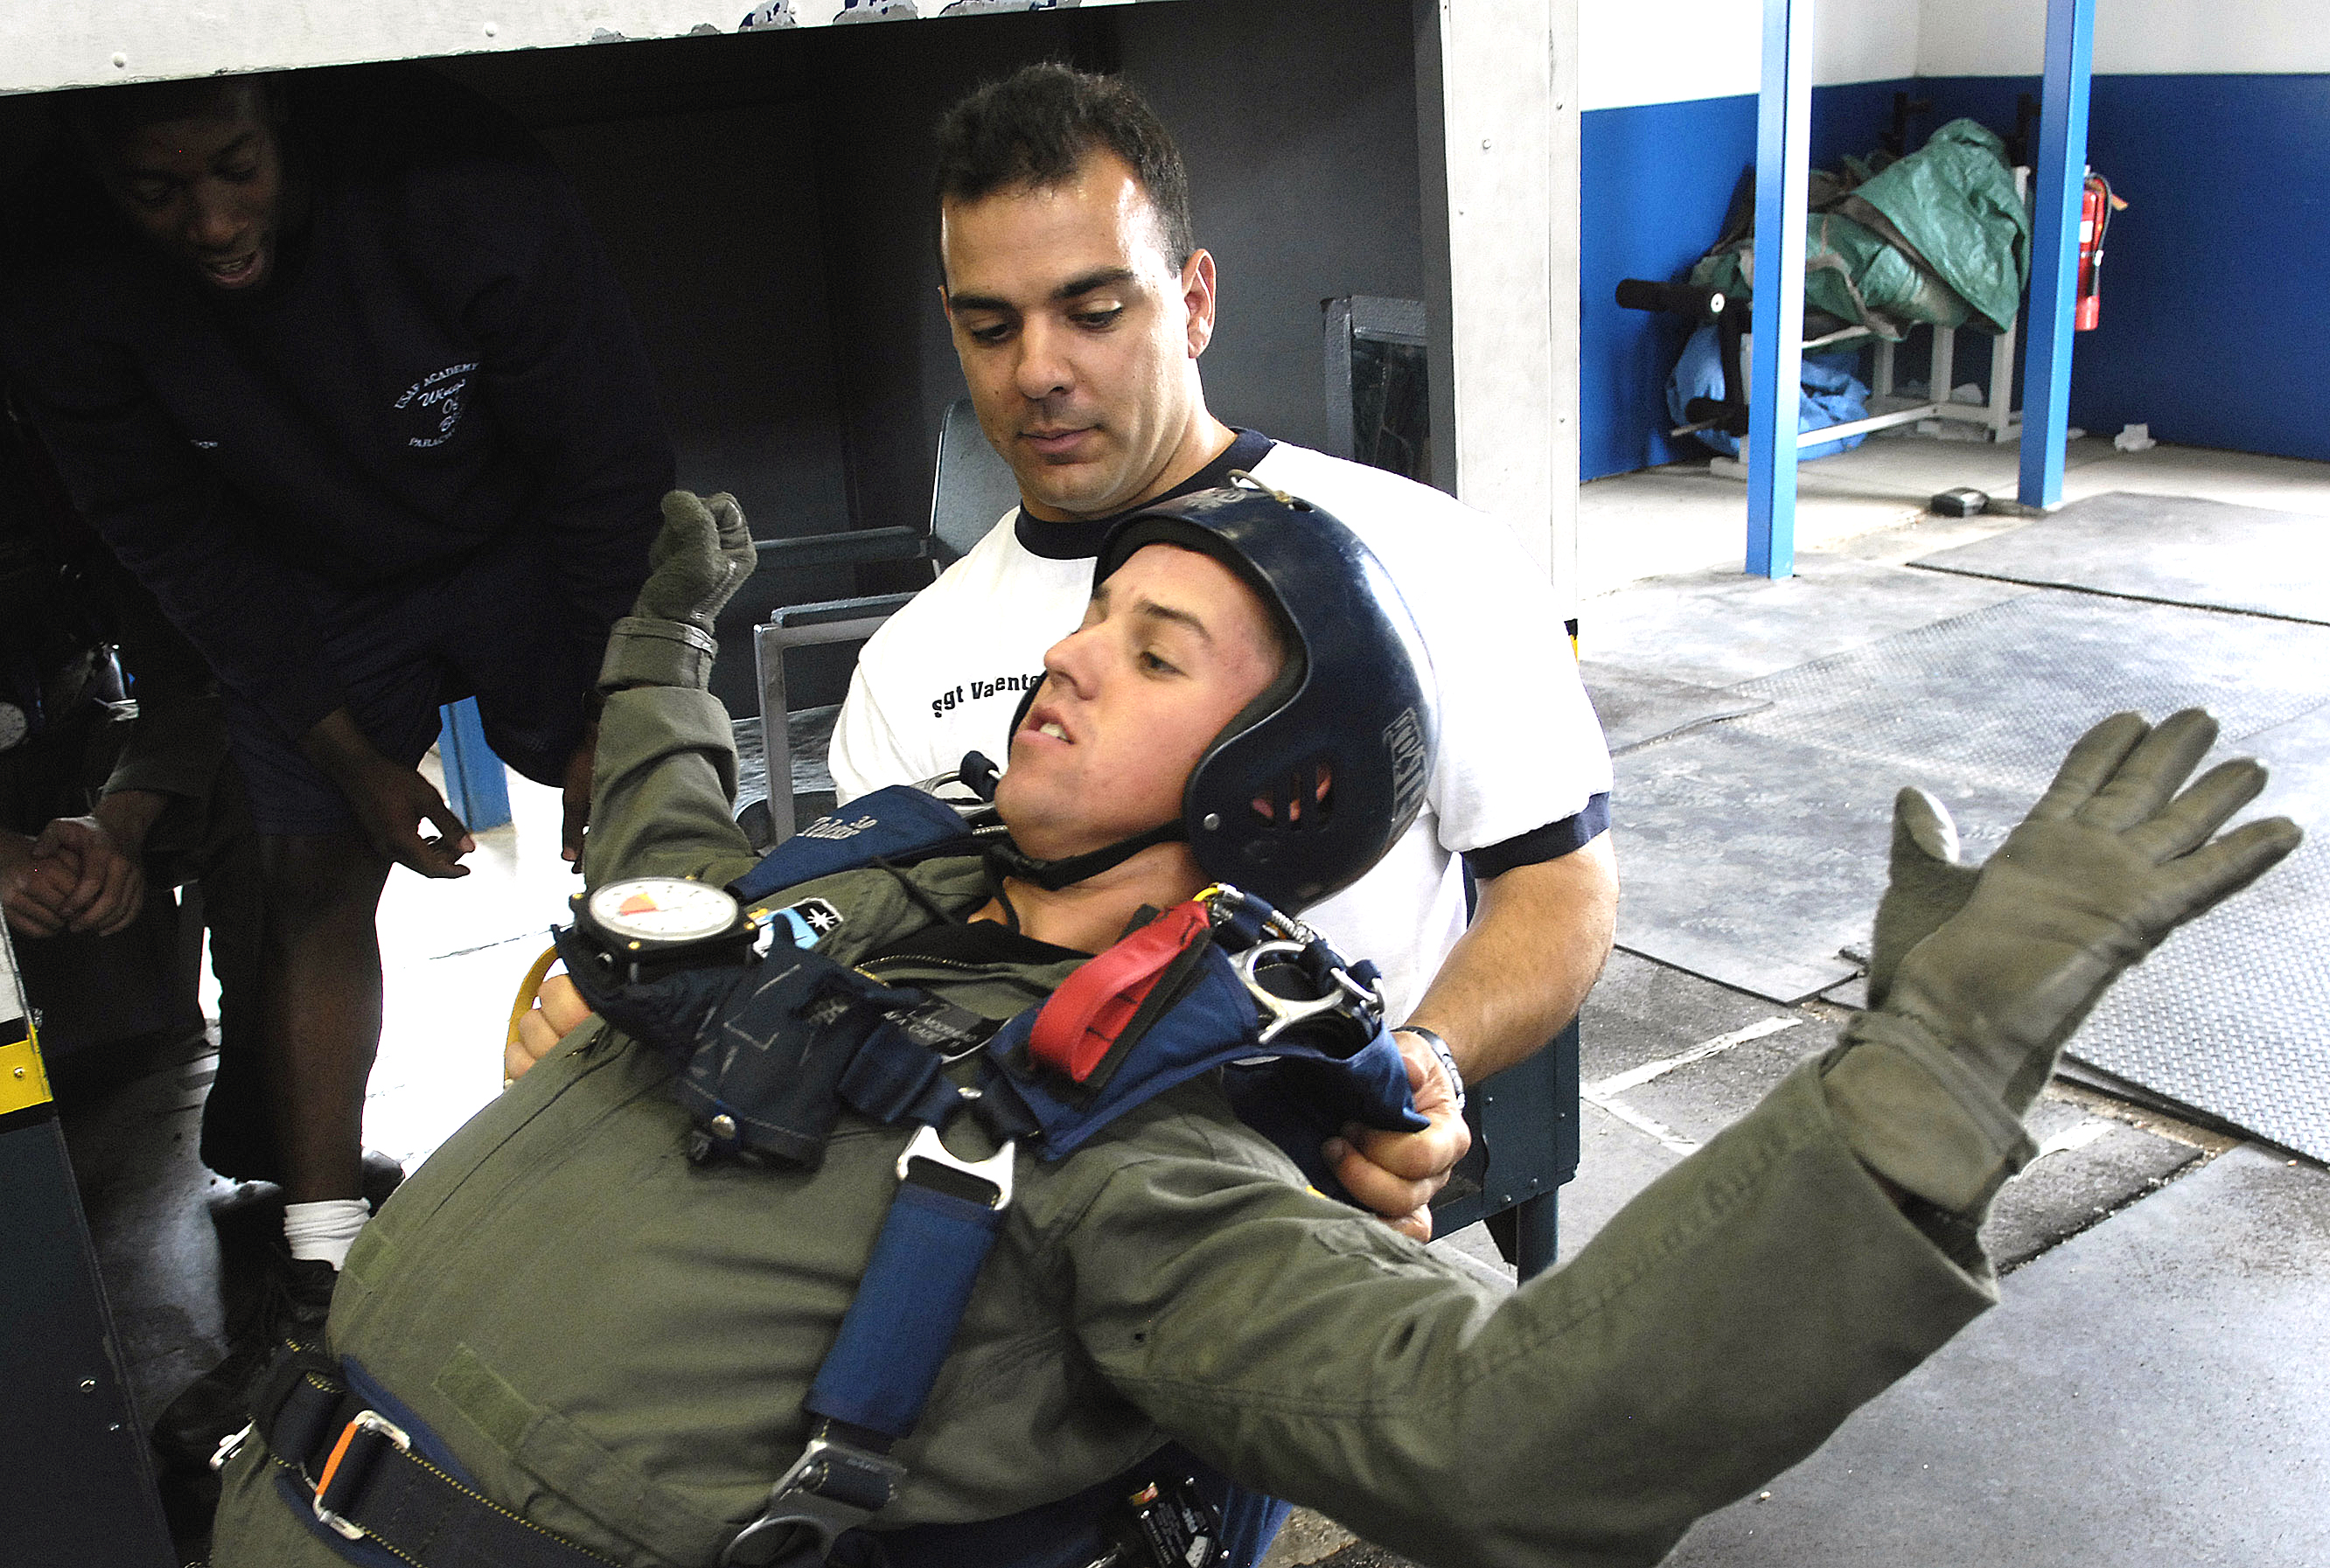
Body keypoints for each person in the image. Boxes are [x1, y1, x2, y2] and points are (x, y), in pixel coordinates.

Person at [206, 487, 2298, 1568]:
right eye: (1087, 617)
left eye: (1153, 645)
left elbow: (1504, 1438)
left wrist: (1917, 1075)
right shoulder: (888, 872)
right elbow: (665, 856)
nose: (1063, 661)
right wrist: (656, 635)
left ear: (1275, 777)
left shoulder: (1146, 1139)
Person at [0, 63, 673, 1436]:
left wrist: (613, 718)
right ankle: (318, 1282)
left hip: (526, 541)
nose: (207, 219)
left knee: (652, 832)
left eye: (232, 168)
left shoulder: (465, 190)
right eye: (157, 191)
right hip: (306, 582)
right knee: (308, 879)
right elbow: (178, 547)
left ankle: (683, 1220)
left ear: (283, 115)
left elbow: (608, 465)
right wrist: (354, 761)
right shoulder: (60, 285)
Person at [828, 63, 1615, 1236]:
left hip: (1325, 1214)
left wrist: (1416, 1066)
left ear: (1193, 301)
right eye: (991, 326)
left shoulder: (1418, 552)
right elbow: (881, 948)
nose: (1037, 370)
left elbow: (1560, 885)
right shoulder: (910, 658)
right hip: (1034, 1235)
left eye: (1093, 311)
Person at [0, 391, 268, 1171]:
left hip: (66, 735)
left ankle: (278, 1126)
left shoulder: (48, 436)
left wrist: (121, 817)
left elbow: (189, 658)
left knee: (260, 777)